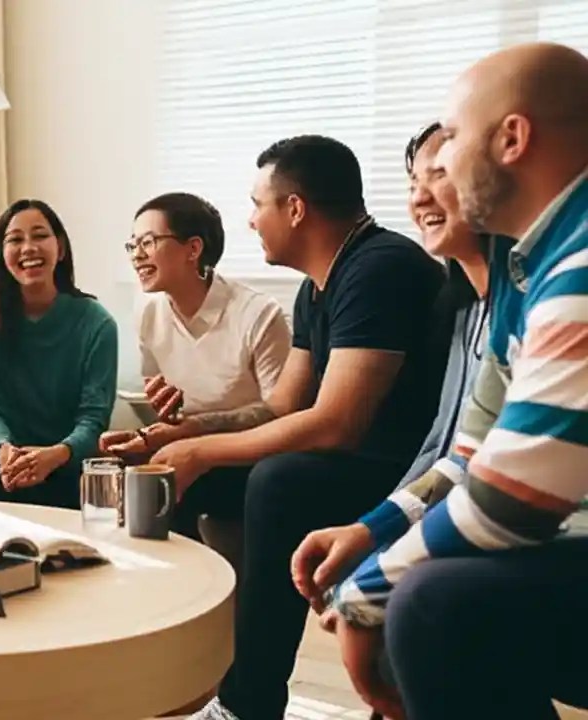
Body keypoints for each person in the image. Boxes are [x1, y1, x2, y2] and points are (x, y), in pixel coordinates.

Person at [295, 43, 588, 720]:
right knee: (426, 595)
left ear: (512, 139)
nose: (441, 166)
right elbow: (468, 457)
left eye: (451, 138)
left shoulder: (578, 269)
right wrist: (370, 532)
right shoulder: (527, 267)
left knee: (432, 605)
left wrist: (366, 594)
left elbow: (512, 499)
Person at [184, 135, 446, 720]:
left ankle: (247, 704)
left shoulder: (379, 268)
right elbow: (282, 406)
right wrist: (184, 437)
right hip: (360, 460)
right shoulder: (316, 287)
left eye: (258, 205)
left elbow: (335, 424)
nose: (251, 221)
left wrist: (203, 450)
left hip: (409, 470)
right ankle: (183, 672)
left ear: (295, 208)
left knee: (279, 482)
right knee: (188, 478)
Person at [98, 192, 289, 536]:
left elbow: (282, 415)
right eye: (133, 245)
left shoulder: (258, 315)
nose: (137, 255)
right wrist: (151, 428)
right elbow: (166, 405)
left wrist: (185, 433)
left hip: (250, 454)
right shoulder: (149, 311)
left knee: (166, 483)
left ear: (193, 249)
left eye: (148, 242)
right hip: (186, 446)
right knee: (113, 467)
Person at [0, 199, 117, 509]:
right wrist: (5, 450)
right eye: (15, 240)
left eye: (40, 235)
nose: (28, 248)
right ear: (1, 254)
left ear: (61, 248)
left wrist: (56, 454)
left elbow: (93, 418)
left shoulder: (97, 323)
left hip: (70, 459)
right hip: (9, 462)